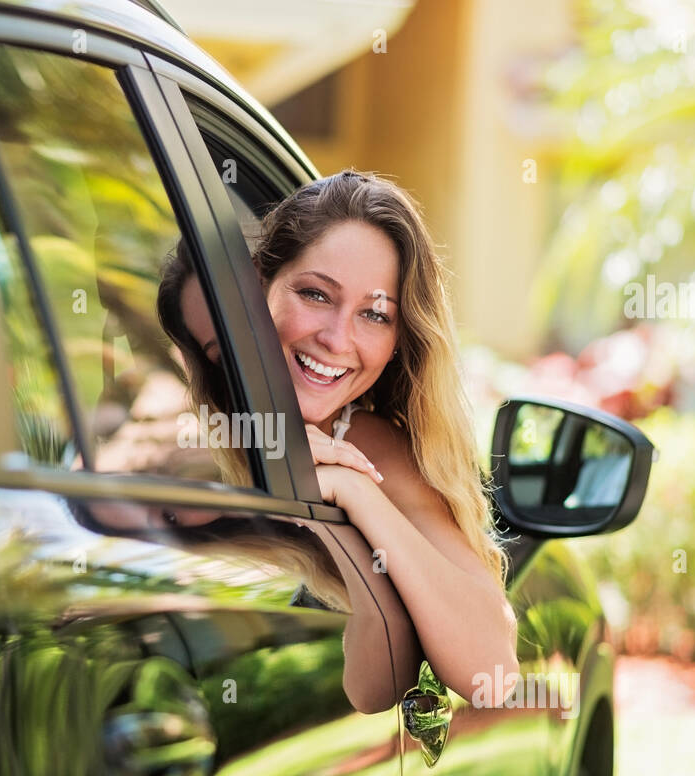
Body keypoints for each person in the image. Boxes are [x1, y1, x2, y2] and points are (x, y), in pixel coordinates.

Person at [158, 170, 520, 707]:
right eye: (315, 294)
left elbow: (494, 675)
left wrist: (355, 491)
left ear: (400, 338)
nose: (336, 339)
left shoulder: (368, 447)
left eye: (375, 314)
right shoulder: (177, 411)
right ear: (260, 290)